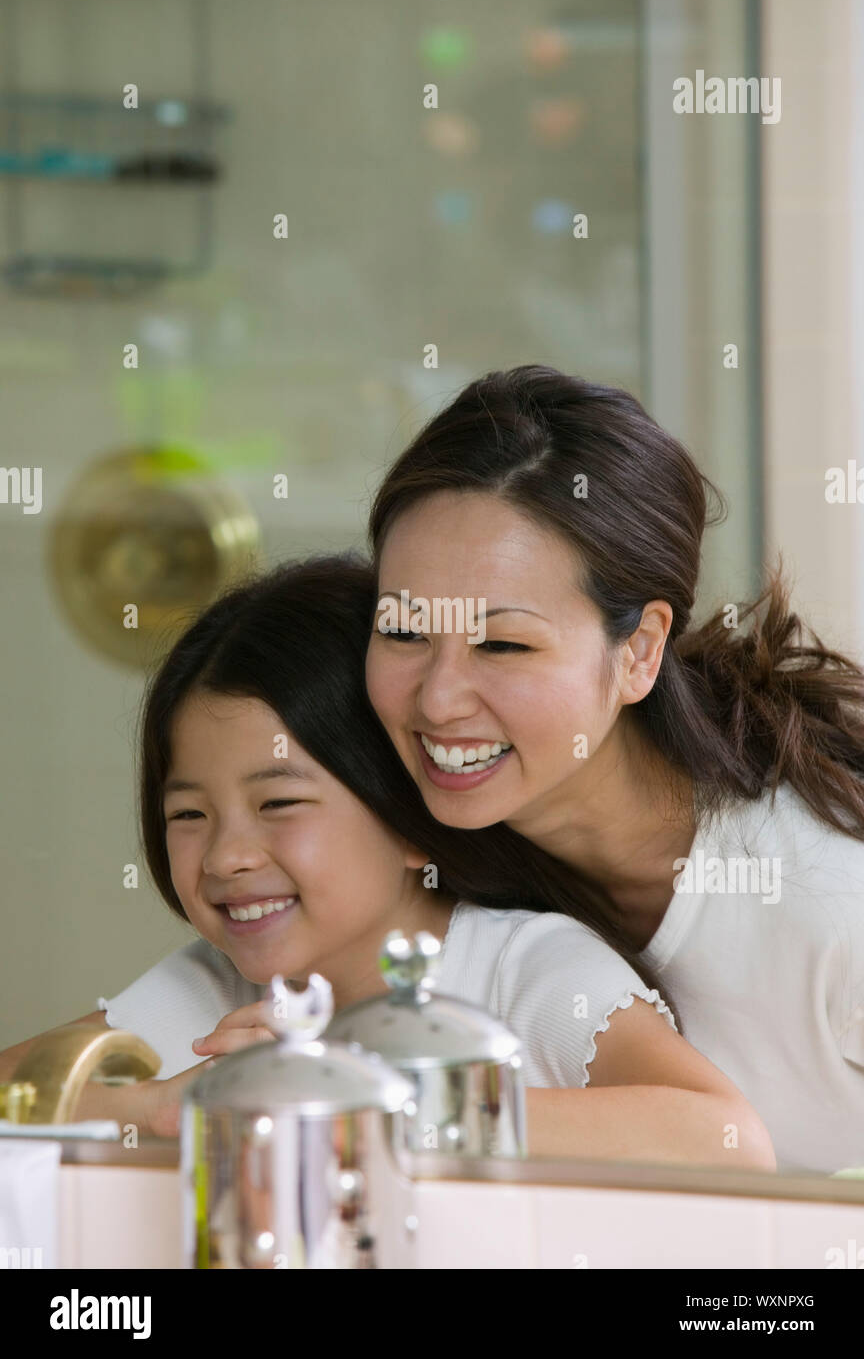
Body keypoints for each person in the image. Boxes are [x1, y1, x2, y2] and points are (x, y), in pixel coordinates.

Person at [0, 556, 773, 1166]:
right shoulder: (214, 985)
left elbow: (720, 1137)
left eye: (280, 805)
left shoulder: (521, 967)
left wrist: (369, 1098)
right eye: (188, 815)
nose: (227, 857)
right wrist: (155, 1110)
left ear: (412, 820)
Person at [364, 363, 864, 1175]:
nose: (438, 698)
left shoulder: (831, 914)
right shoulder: (405, 834)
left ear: (639, 652)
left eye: (502, 644)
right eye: (403, 630)